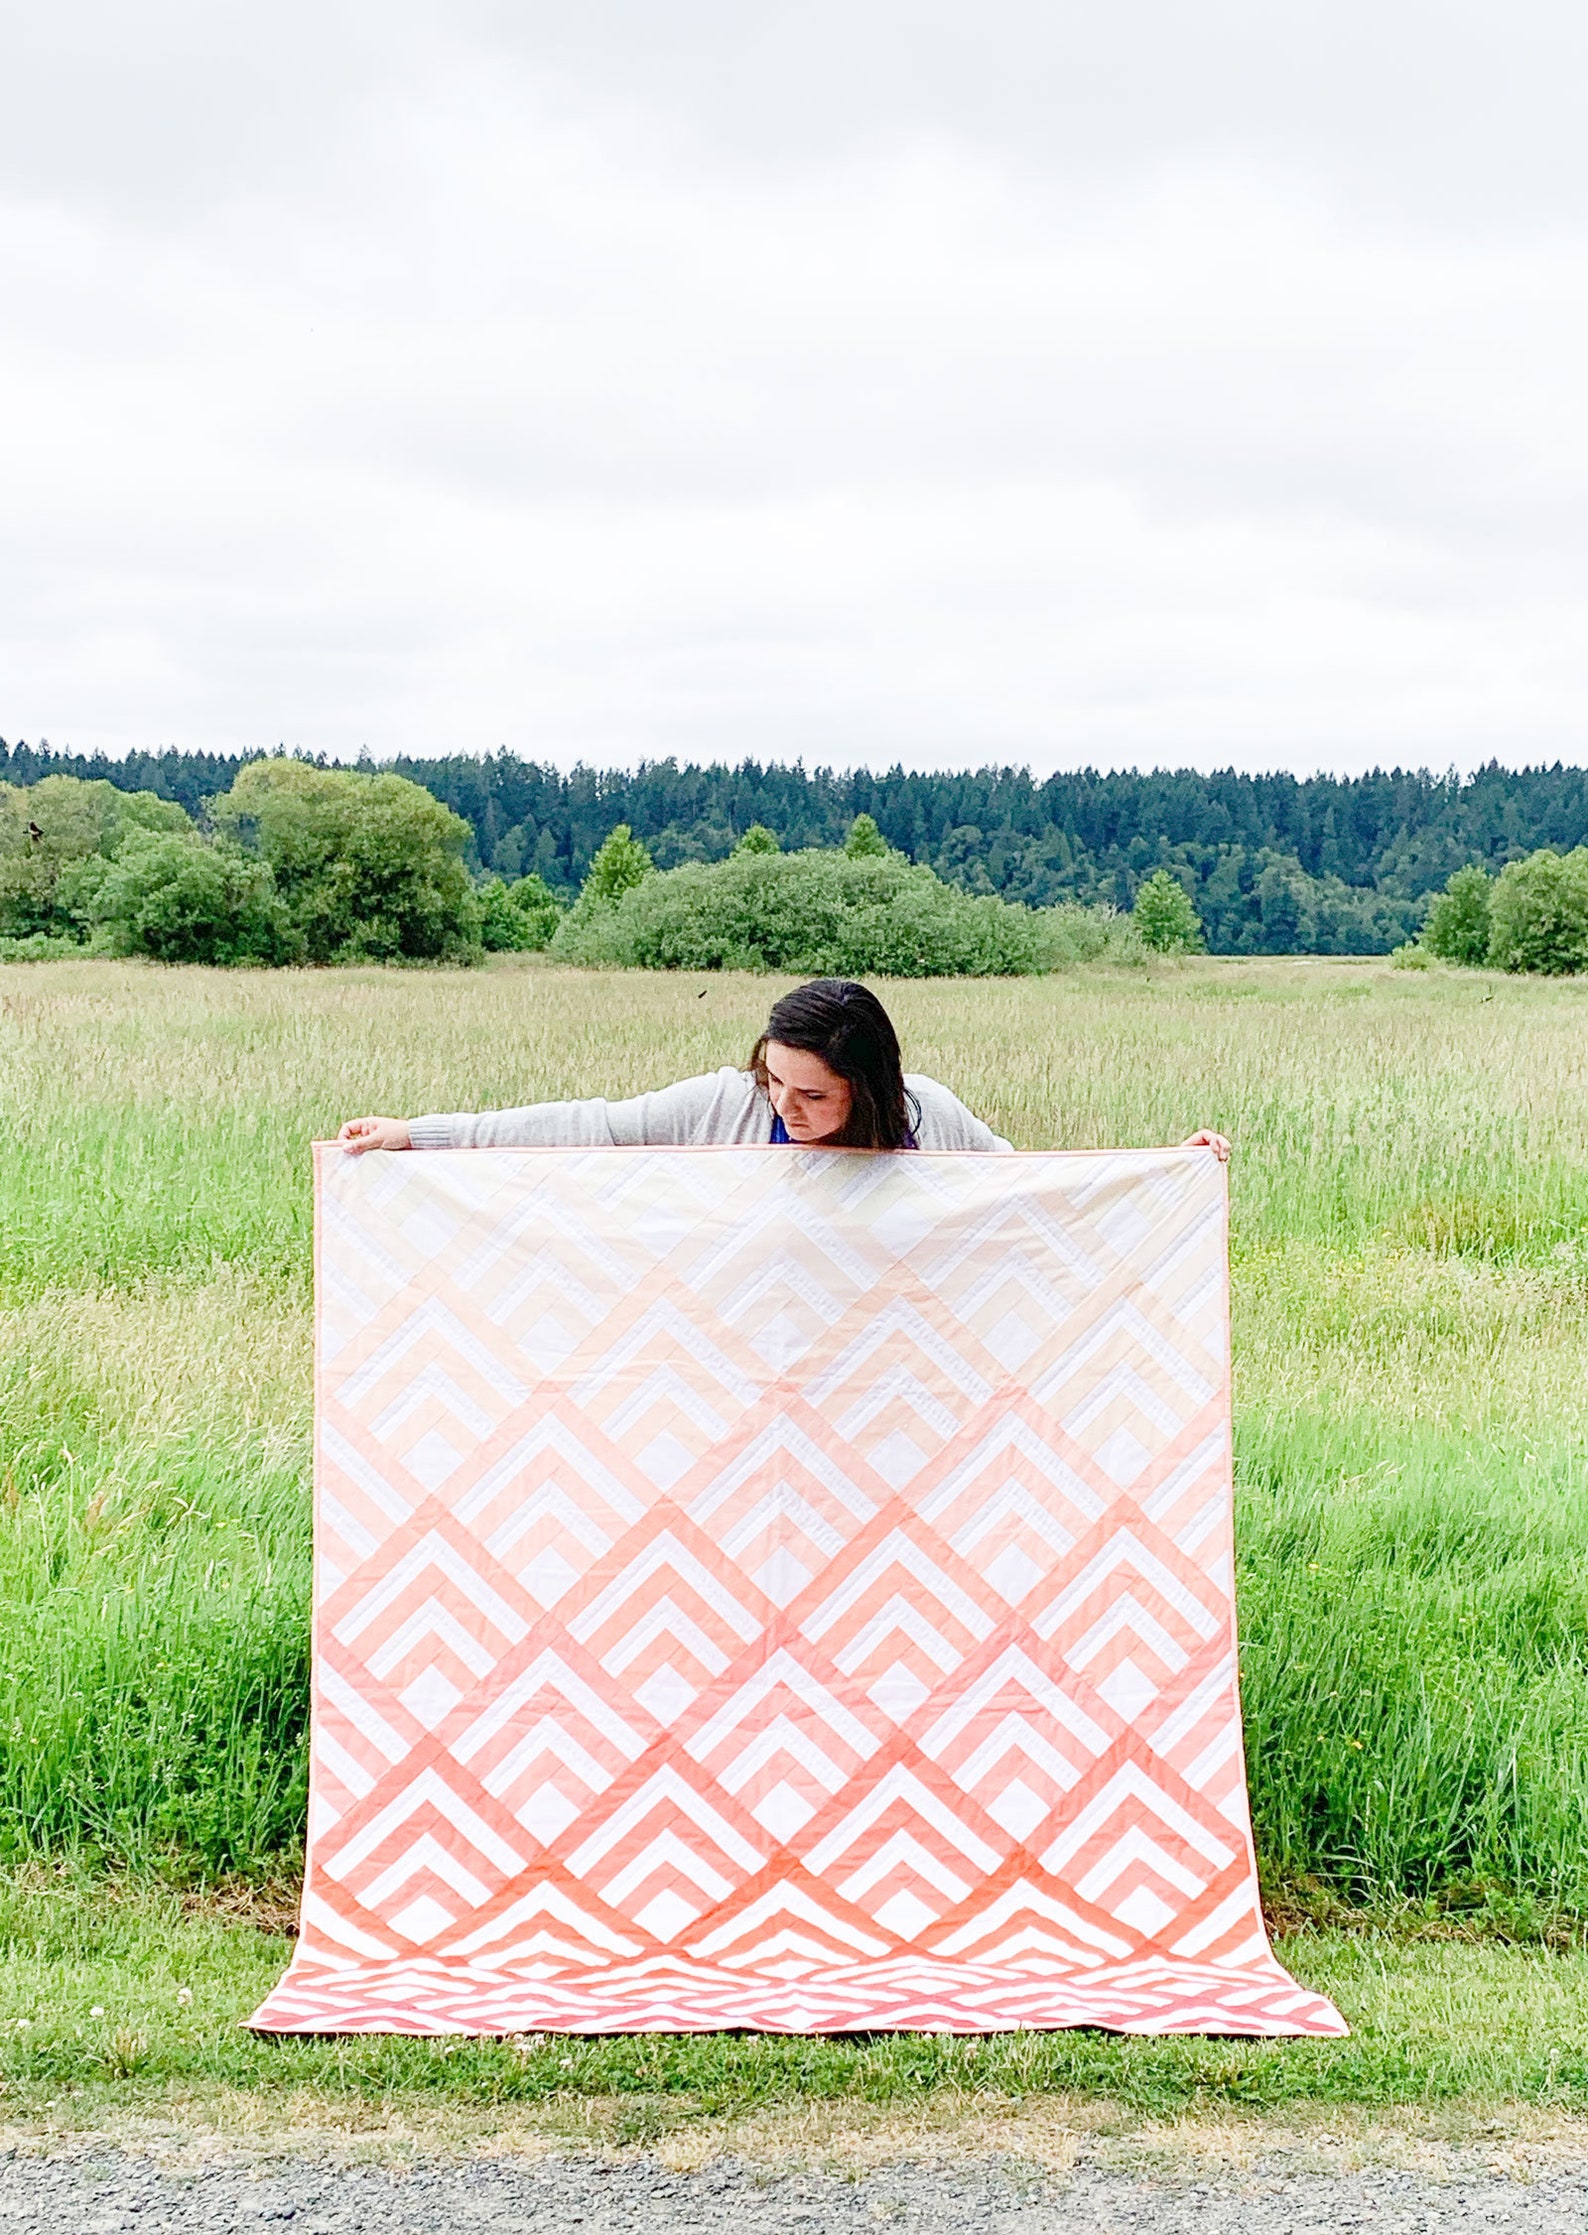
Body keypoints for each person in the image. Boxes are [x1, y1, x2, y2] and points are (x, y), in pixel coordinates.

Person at [337, 977, 1231, 1160]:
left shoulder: (931, 1120)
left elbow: (1039, 1196)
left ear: (869, 1090)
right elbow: (588, 1127)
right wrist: (418, 1135)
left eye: (814, 1094)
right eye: (775, 1083)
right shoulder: (719, 1106)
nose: (786, 1106)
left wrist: (1169, 1169)